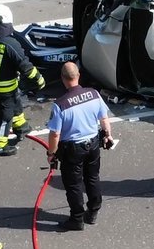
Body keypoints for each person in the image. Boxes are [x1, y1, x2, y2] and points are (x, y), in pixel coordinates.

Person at [46, 62, 113, 230]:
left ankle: (76, 219)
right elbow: (104, 119)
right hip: (93, 145)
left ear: (63, 79)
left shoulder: (59, 105)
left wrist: (51, 153)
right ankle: (93, 212)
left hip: (72, 150)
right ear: (78, 75)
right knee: (92, 178)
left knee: (74, 184)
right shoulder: (94, 94)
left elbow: (55, 134)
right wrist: (108, 136)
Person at [0, 4, 44, 157]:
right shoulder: (10, 44)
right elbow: (25, 66)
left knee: (15, 100)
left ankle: (20, 126)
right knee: (4, 115)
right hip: (6, 86)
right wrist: (39, 80)